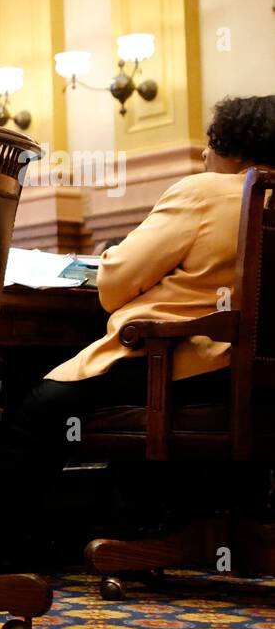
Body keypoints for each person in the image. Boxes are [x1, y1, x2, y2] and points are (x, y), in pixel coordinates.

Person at [20, 95, 275, 447]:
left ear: (237, 150)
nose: (204, 154)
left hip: (182, 362)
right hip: (255, 377)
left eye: (212, 144)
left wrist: (111, 255)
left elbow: (114, 285)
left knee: (36, 407)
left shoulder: (204, 191)